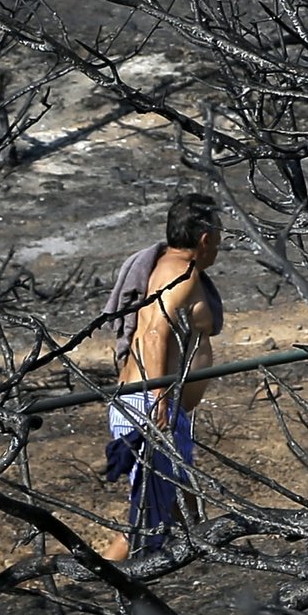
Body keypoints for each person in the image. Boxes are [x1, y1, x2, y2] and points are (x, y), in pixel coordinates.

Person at [106, 193, 225, 558]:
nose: (221, 244)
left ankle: (192, 562)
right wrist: (159, 398)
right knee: (148, 522)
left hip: (158, 405)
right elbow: (155, 333)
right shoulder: (180, 275)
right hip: (152, 405)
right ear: (205, 239)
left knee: (173, 509)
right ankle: (100, 584)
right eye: (219, 235)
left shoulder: (173, 270)